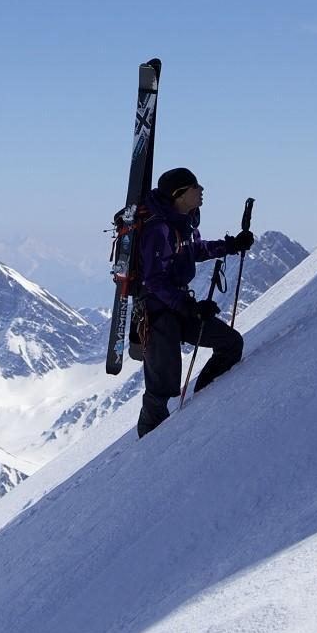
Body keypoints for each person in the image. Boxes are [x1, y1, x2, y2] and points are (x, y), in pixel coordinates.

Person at [135, 167, 255, 438]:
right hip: (158, 314)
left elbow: (194, 249)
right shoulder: (159, 229)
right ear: (179, 194)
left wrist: (230, 246)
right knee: (162, 388)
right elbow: (154, 281)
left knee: (230, 343)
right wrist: (190, 307)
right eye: (195, 187)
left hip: (178, 305)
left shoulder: (184, 219)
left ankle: (204, 406)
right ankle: (145, 453)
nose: (201, 190)